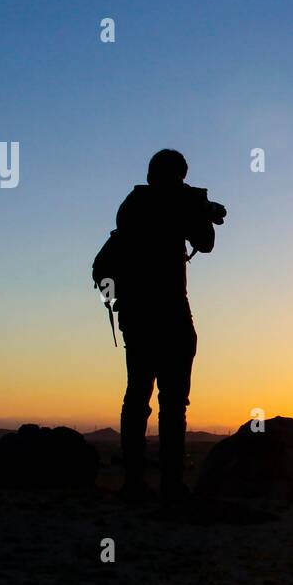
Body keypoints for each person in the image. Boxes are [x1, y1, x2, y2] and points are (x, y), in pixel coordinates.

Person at [114, 149, 226, 505]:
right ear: (178, 175)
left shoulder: (133, 204)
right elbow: (205, 244)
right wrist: (200, 212)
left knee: (137, 397)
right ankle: (170, 485)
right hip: (170, 314)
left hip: (137, 315)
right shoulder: (176, 204)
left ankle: (134, 482)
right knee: (173, 403)